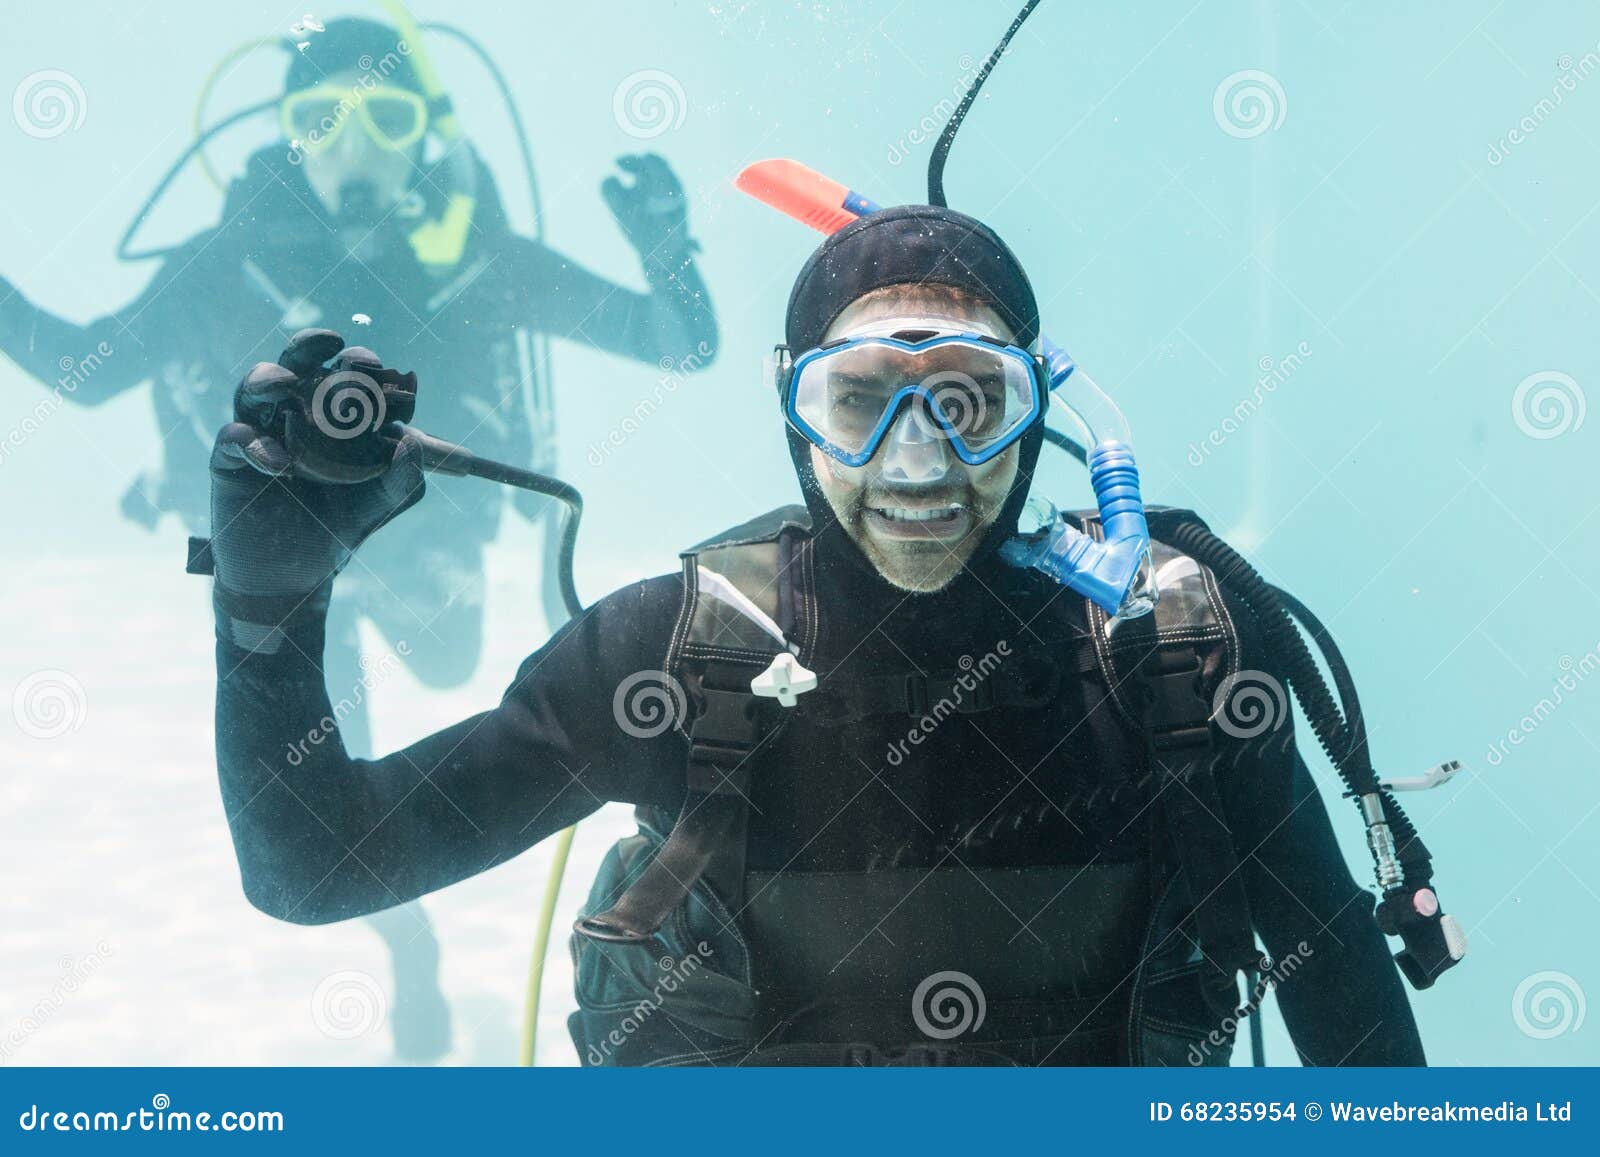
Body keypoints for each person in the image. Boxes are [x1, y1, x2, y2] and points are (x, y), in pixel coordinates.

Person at [197, 193, 1433, 1063]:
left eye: (967, 400)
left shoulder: (1174, 658)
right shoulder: (670, 661)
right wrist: (269, 609)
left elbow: (1352, 1024)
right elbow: (314, 868)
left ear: (1041, 409)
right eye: (859, 400)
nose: (916, 462)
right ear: (794, 410)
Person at [0, 17, 718, 1063]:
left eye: (383, 116)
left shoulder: (482, 255)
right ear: (288, 135)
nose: (353, 145)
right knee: (323, 784)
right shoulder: (225, 262)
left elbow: (675, 342)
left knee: (451, 658)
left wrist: (668, 250)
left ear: (425, 131)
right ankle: (408, 944)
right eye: (321, 118)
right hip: (300, 571)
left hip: (435, 561)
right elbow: (87, 367)